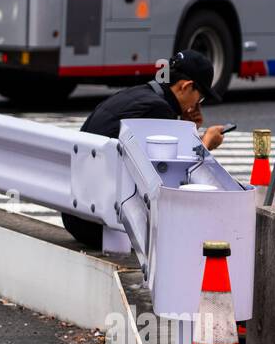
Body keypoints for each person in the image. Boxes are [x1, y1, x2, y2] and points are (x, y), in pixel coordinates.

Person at [62, 49, 228, 250]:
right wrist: (206, 143)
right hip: (102, 227)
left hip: (77, 215)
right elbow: (170, 178)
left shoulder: (138, 94)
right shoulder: (159, 111)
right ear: (186, 86)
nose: (197, 105)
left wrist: (183, 128)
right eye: (200, 98)